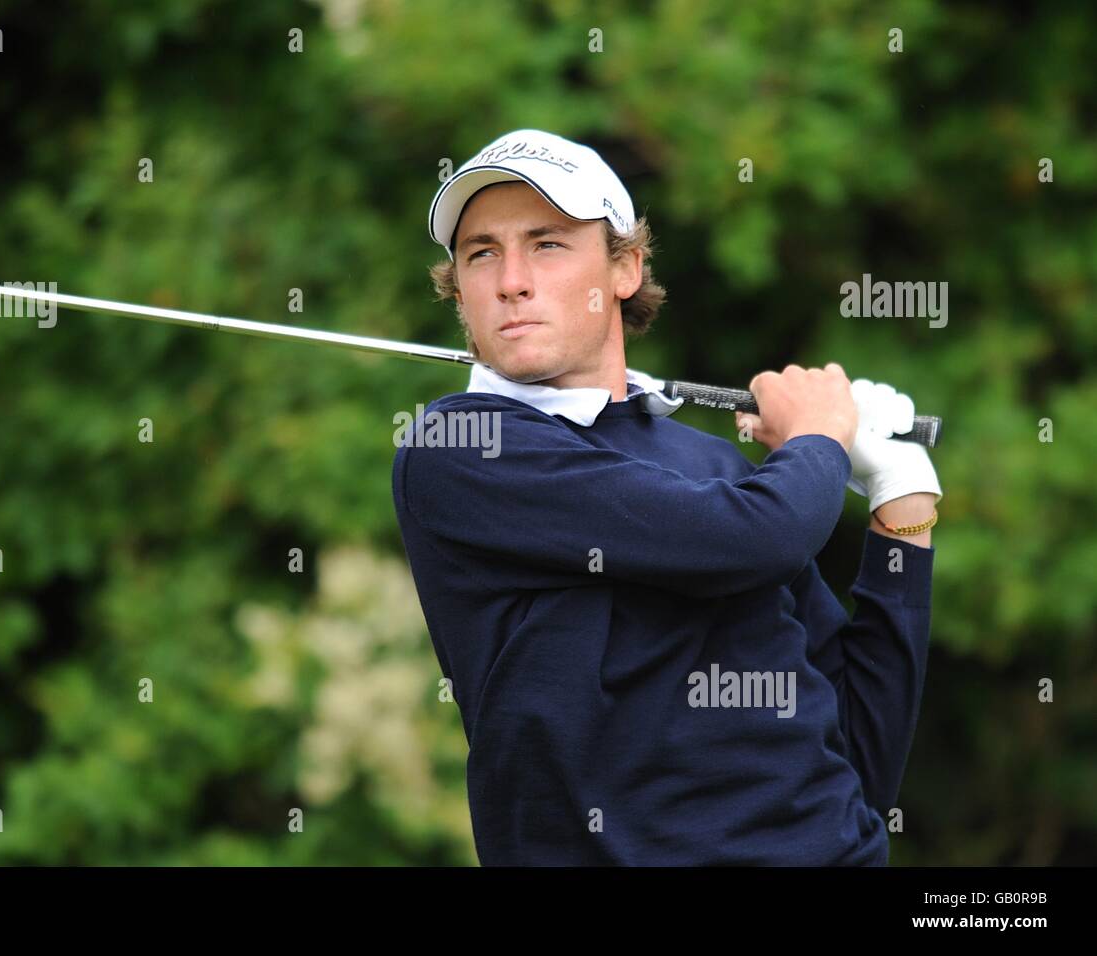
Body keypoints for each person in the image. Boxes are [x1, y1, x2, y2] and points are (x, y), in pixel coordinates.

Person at [391, 129, 943, 865]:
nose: (511, 279)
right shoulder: (462, 448)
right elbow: (756, 536)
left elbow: (863, 755)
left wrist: (900, 499)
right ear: (459, 287)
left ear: (624, 267)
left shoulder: (719, 467)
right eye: (481, 253)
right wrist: (818, 437)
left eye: (548, 244)